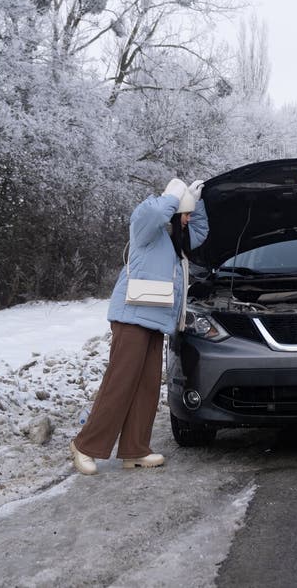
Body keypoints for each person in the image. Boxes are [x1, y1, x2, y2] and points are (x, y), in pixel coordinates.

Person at [69, 177, 208, 475]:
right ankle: (85, 445)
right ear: (170, 208)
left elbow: (201, 231)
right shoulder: (147, 228)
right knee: (120, 383)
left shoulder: (175, 241)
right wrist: (174, 194)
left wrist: (198, 201)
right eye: (183, 212)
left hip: (156, 319)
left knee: (146, 386)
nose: (186, 218)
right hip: (131, 317)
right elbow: (155, 214)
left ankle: (135, 450)